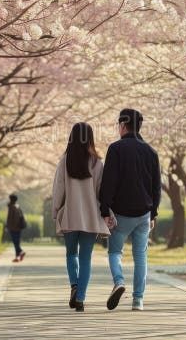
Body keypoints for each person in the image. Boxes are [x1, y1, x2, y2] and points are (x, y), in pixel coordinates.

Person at [99, 108, 161, 311]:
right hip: (144, 213)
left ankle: (119, 281)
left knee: (115, 252)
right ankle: (138, 300)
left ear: (123, 125)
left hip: (120, 214)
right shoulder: (151, 152)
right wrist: (153, 213)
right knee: (140, 256)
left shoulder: (116, 149)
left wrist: (105, 210)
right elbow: (156, 187)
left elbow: (108, 182)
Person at [52, 122, 111, 312]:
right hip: (91, 217)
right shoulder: (97, 163)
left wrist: (56, 211)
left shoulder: (64, 161)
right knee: (86, 257)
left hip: (70, 215)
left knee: (71, 254)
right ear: (91, 138)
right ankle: (80, 299)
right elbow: (102, 192)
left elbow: (58, 189)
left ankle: (74, 286)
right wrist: (107, 213)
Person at [6, 194, 26, 262]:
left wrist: (8, 226)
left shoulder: (11, 207)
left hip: (13, 228)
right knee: (17, 242)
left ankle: (21, 252)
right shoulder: (18, 206)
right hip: (19, 227)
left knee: (15, 243)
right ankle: (17, 257)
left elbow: (10, 218)